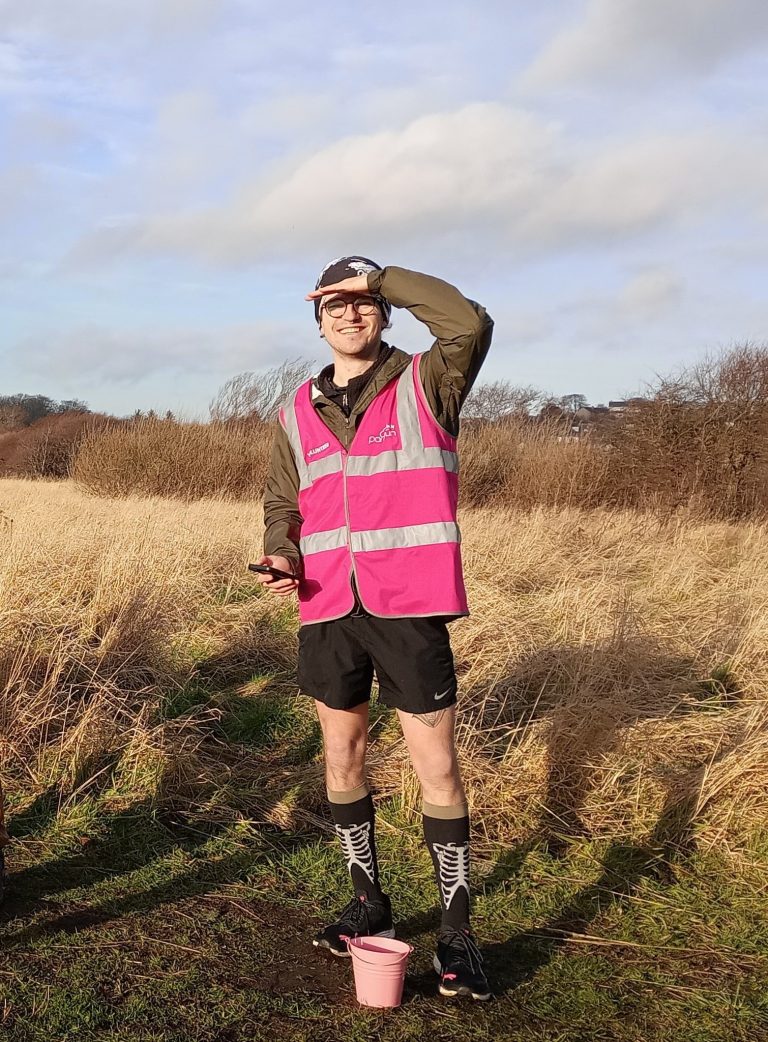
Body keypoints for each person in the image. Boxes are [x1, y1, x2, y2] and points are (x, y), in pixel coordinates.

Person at [256, 256, 493, 1001]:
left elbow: (468, 321)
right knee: (342, 754)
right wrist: (282, 552)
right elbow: (283, 504)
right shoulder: (294, 410)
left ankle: (456, 935)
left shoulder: (430, 381)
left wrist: (379, 277)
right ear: (318, 322)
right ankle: (368, 902)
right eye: (334, 305)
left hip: (409, 604)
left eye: (361, 303)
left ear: (383, 313)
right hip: (327, 604)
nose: (350, 314)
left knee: (436, 765)